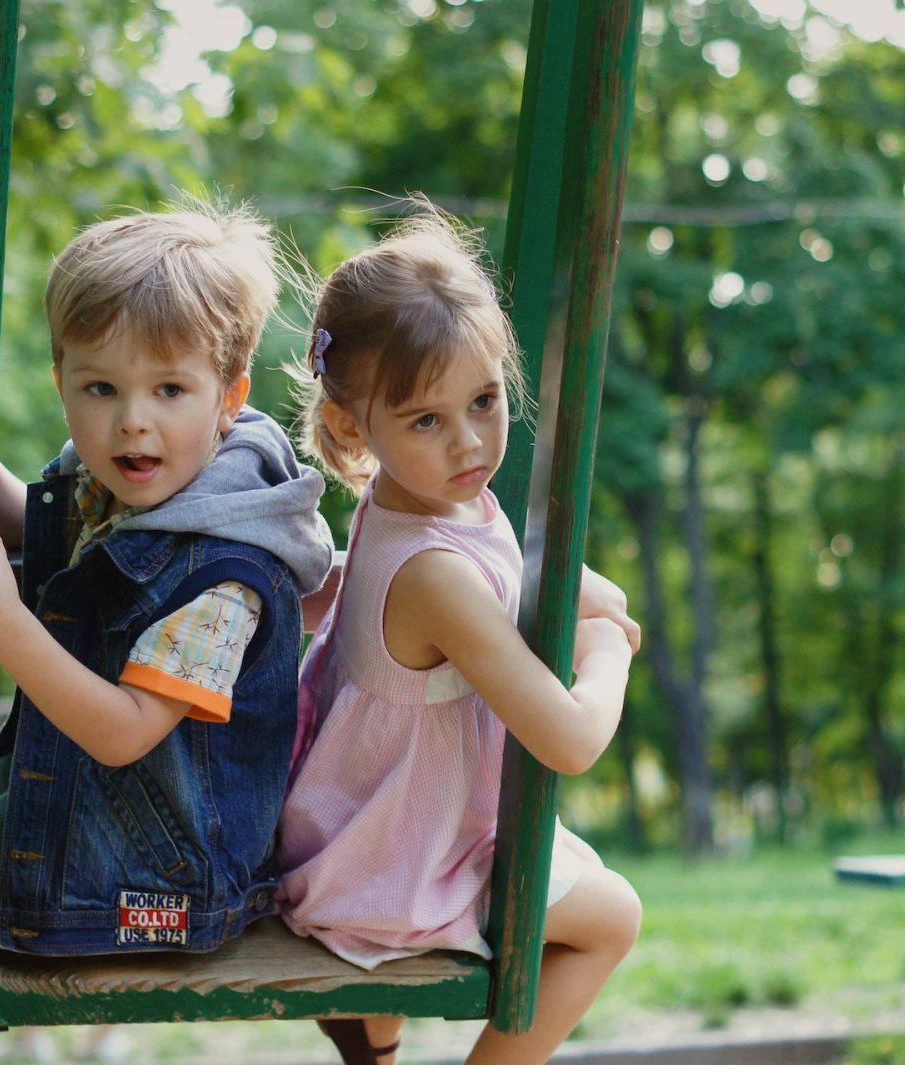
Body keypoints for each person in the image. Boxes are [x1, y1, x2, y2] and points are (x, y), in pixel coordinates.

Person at [0, 199, 336, 1065]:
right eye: (99, 388)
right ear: (63, 377)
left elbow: (123, 731)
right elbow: (54, 536)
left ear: (230, 397)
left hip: (162, 871)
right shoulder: (138, 478)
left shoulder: (227, 573)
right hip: (94, 812)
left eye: (168, 390)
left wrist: (5, 624)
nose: (131, 420)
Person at [276, 210, 644, 1065]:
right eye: (425, 420)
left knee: (574, 882)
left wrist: (585, 590)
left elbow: (506, 577)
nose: (471, 441)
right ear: (349, 427)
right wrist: (608, 652)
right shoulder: (433, 573)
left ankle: (373, 1041)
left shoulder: (417, 499)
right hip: (393, 859)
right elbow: (570, 738)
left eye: (483, 400)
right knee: (611, 919)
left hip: (361, 816)